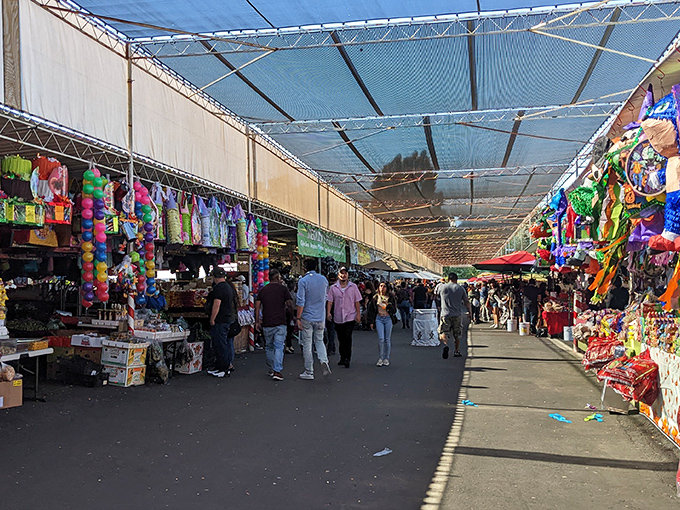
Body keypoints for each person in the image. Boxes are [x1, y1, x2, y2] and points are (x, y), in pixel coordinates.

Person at [296, 259, 332, 380]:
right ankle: (324, 360)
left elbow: (300, 301)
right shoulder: (323, 280)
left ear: (305, 267)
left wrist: (298, 317)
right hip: (320, 317)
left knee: (307, 344)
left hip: (307, 316)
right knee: (319, 341)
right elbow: (325, 297)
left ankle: (309, 371)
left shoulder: (303, 281)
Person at [254, 269, 293, 381]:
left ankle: (272, 368)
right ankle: (277, 370)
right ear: (277, 278)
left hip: (267, 322)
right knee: (279, 346)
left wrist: (257, 321)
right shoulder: (283, 290)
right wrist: (292, 316)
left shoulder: (263, 290)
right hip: (280, 322)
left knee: (269, 347)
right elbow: (289, 304)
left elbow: (257, 307)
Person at [327, 267, 362, 368]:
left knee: (347, 337)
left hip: (350, 316)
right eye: (341, 273)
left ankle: (347, 358)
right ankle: (342, 357)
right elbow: (330, 301)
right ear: (338, 275)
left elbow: (357, 301)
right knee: (341, 338)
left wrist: (358, 314)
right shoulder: (333, 288)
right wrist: (328, 313)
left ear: (347, 275)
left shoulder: (353, 287)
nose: (343, 275)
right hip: (338, 316)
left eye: (345, 273)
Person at [208, 267, 238, 378]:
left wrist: (212, 318)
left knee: (220, 345)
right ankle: (222, 367)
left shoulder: (219, 288)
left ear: (214, 277)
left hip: (221, 320)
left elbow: (217, 304)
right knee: (224, 344)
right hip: (228, 319)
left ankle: (223, 369)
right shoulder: (228, 287)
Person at [437, 272, 471, 359]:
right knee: (457, 334)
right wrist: (470, 312)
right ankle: (456, 350)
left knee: (443, 332)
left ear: (448, 279)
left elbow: (436, 296)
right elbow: (466, 301)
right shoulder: (460, 288)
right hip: (457, 314)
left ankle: (445, 345)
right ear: (456, 279)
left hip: (445, 314)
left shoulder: (442, 287)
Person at [367, 282, 397, 367]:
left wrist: (388, 306)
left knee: (387, 339)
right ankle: (380, 358)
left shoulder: (390, 297)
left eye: (384, 286)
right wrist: (371, 322)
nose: (382, 288)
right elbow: (371, 310)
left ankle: (386, 358)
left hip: (388, 318)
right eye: (381, 286)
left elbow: (394, 310)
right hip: (379, 318)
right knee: (381, 339)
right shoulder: (375, 297)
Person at [324, 272, 338, 355]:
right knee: (331, 329)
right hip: (333, 308)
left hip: (326, 308)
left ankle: (330, 345)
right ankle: (331, 346)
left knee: (327, 328)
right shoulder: (337, 287)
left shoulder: (325, 286)